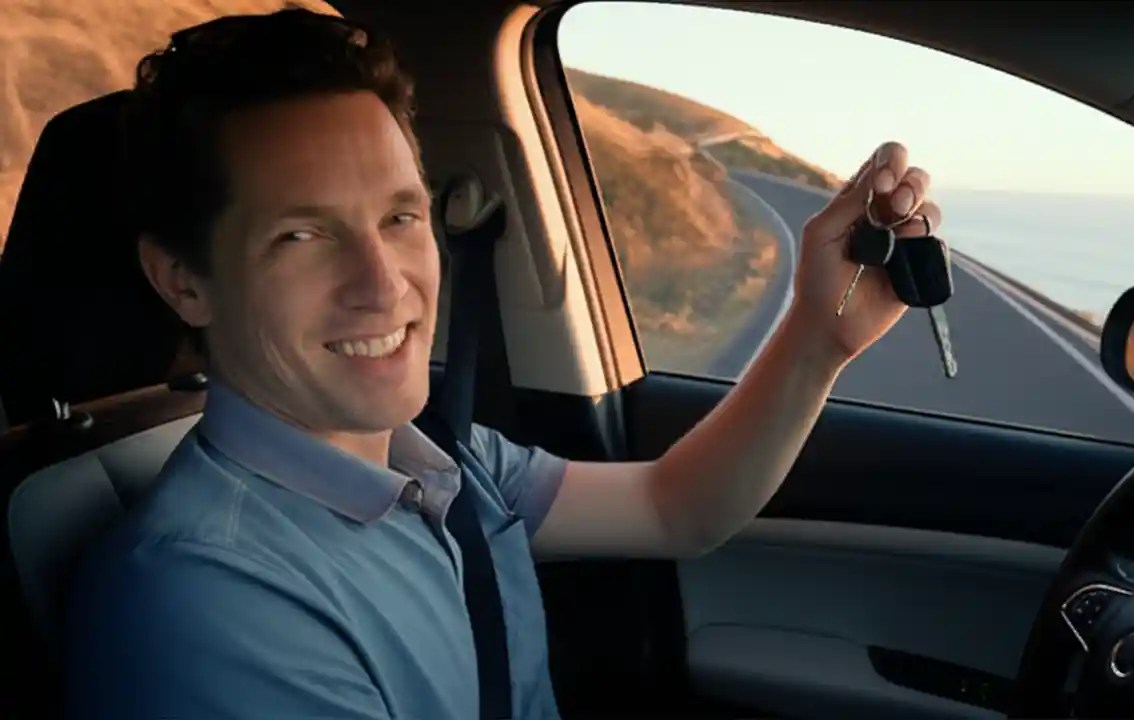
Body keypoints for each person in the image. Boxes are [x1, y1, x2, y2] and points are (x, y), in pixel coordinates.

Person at [60, 8, 944, 720]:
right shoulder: (204, 602)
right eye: (302, 235)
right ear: (184, 282)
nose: (383, 285)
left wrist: (818, 335)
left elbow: (675, 509)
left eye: (401, 218)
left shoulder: (439, 458)